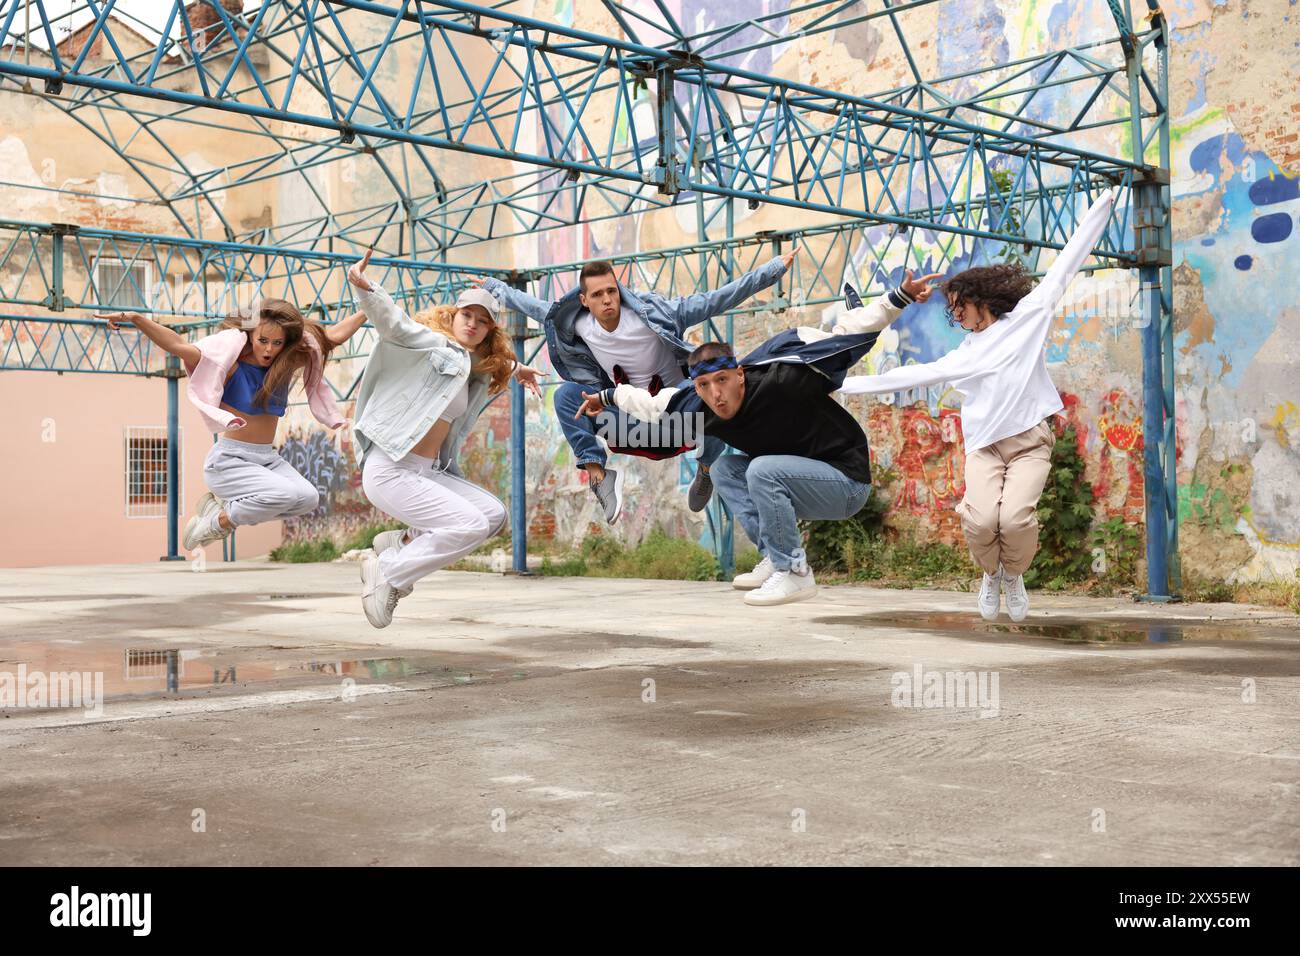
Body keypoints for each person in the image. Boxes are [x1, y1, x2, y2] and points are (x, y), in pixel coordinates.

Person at [577, 272, 941, 606]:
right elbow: (652, 404)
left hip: (845, 481)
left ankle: (795, 572)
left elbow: (846, 335)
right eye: (705, 386)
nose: (716, 395)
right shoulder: (696, 403)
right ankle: (774, 556)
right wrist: (605, 397)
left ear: (739, 375)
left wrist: (900, 297)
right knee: (723, 469)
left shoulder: (784, 378)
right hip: (800, 481)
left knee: (762, 470)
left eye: (722, 381)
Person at [838, 187, 1118, 622]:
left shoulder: (1029, 316)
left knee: (1017, 521)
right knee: (983, 521)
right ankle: (991, 574)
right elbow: (912, 374)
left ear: (978, 299)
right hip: (985, 446)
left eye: (958, 308)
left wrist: (1105, 203)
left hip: (1029, 442)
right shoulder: (965, 353)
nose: (957, 318)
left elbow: (1069, 259)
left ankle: (1014, 576)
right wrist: (846, 385)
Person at [473, 250, 797, 523]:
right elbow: (529, 305)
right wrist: (491, 287)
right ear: (584, 301)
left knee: (713, 392)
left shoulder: (659, 315)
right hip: (627, 424)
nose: (607, 300)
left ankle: (707, 468)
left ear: (619, 291)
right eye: (598, 295)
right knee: (566, 395)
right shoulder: (577, 324)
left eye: (611, 291)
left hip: (676, 421)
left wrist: (771, 270)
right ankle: (599, 477)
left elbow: (719, 299)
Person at [346, 250, 543, 628]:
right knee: (466, 525)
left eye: (482, 322)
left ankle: (402, 544)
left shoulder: (474, 367)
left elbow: (482, 363)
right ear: (454, 316)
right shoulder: (428, 343)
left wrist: (517, 368)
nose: (472, 324)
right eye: (467, 315)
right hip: (390, 467)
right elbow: (393, 324)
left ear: (489, 332)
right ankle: (388, 573)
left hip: (424, 471)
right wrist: (366, 288)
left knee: (491, 516)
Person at [97, 300, 365, 551]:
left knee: (308, 498)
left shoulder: (286, 365)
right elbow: (178, 345)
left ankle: (223, 509)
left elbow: (332, 337)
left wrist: (373, 305)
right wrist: (135, 318)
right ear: (250, 335)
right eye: (262, 341)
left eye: (277, 343)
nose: (269, 349)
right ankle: (218, 523)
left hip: (267, 459)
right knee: (283, 493)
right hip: (230, 461)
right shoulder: (230, 365)